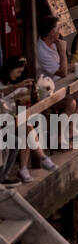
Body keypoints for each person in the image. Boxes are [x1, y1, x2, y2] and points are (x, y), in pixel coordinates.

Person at [0, 55, 56, 183]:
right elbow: (2, 94)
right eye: (18, 71)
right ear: (9, 69)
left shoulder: (16, 84)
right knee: (26, 127)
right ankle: (41, 157)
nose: (19, 75)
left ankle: (23, 169)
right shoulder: (5, 83)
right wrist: (17, 89)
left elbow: (17, 104)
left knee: (25, 128)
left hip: (11, 121)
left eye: (21, 72)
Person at [35, 16, 78, 119]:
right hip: (47, 91)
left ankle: (71, 128)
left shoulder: (54, 44)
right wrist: (63, 52)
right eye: (58, 29)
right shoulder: (41, 50)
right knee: (71, 103)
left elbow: (62, 67)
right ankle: (60, 135)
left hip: (60, 85)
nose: (60, 32)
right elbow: (62, 72)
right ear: (51, 32)